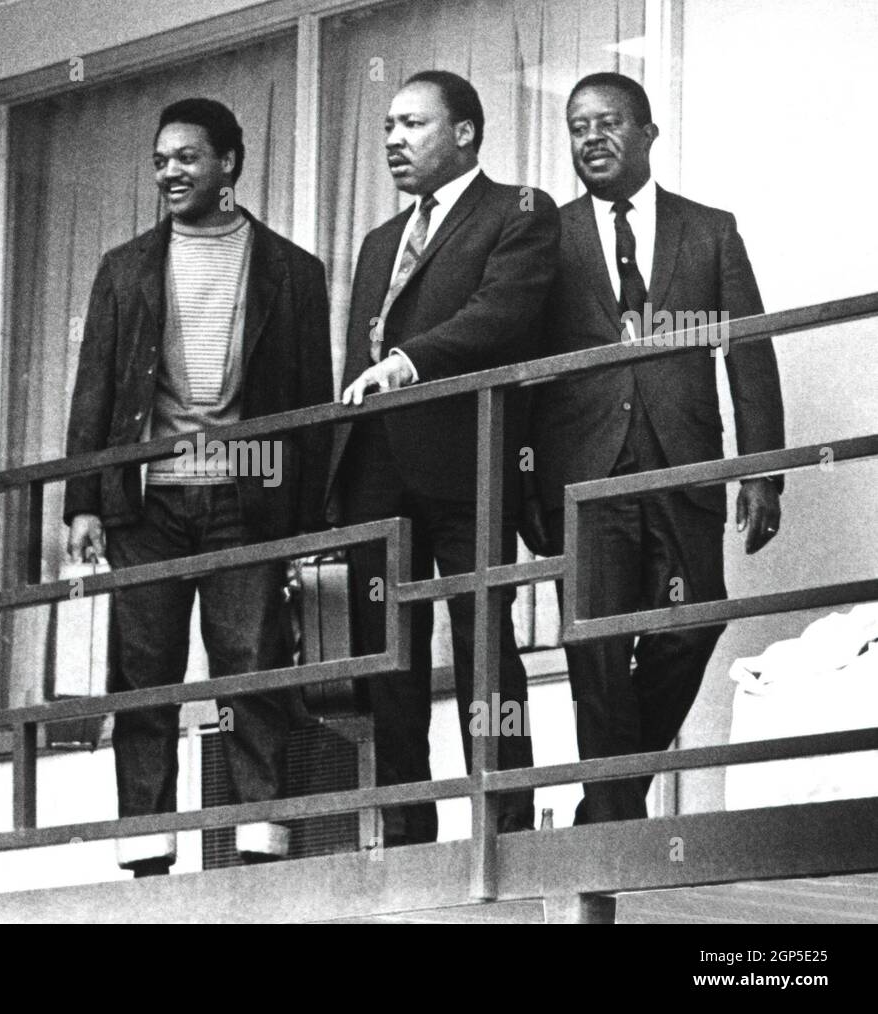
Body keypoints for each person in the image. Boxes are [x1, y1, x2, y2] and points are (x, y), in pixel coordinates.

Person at [64, 98, 332, 876]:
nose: (170, 172)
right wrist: (83, 501)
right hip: (147, 503)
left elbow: (311, 407)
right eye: (160, 161)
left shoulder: (292, 269)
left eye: (187, 157)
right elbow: (95, 390)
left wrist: (306, 522)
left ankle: (259, 840)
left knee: (251, 666)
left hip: (247, 498)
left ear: (229, 164)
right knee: (143, 672)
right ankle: (147, 850)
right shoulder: (123, 268)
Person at [523, 73, 785, 824]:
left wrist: (762, 472)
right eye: (577, 126)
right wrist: (526, 487)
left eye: (608, 122)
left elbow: (749, 354)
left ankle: (607, 803)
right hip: (584, 477)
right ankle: (612, 824)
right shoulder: (547, 237)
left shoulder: (710, 229)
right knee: (596, 651)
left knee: (696, 618)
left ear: (646, 133)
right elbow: (522, 374)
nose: (591, 138)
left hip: (685, 463)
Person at [330, 71, 559, 845]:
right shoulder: (375, 242)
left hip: (471, 463)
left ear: (464, 132)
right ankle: (403, 831)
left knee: (484, 649)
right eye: (388, 126)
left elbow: (501, 316)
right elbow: (351, 367)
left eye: (413, 125)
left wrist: (406, 363)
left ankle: (504, 824)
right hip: (374, 473)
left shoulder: (519, 211)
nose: (393, 140)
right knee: (384, 658)